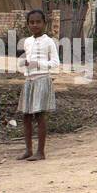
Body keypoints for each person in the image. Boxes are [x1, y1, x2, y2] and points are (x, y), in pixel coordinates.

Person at [15, 9, 58, 162]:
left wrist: (36, 63)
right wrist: (24, 65)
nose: (35, 25)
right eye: (31, 22)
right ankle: (28, 150)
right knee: (26, 116)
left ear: (44, 23)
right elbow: (27, 61)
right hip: (29, 81)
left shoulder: (49, 42)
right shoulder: (27, 42)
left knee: (40, 116)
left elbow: (55, 63)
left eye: (38, 22)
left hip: (42, 80)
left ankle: (40, 151)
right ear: (28, 25)